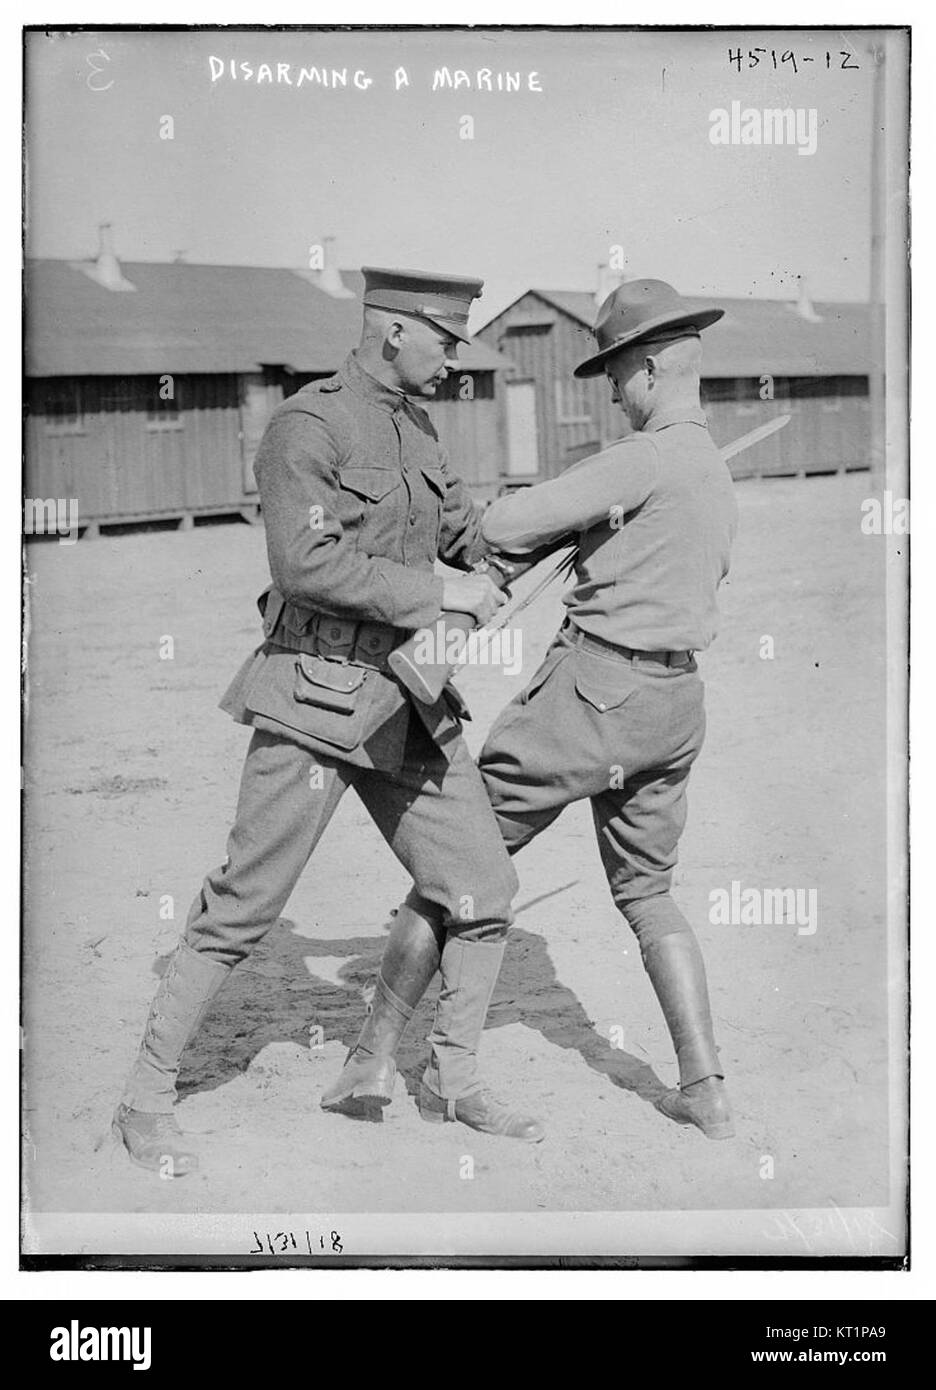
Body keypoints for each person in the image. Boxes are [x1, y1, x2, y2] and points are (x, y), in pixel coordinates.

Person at [114, 266, 544, 1177]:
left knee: (481, 888)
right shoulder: (307, 425)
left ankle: (452, 1078)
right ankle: (146, 1096)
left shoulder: (421, 426)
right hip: (313, 699)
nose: (456, 357)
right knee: (246, 905)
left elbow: (468, 533)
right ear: (395, 329)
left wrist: (573, 518)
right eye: (445, 338)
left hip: (405, 702)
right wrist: (441, 595)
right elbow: (306, 563)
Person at [380, 279, 739, 1140]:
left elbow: (506, 522)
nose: (613, 394)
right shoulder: (711, 468)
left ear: (649, 370)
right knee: (650, 894)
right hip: (676, 703)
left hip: (594, 696)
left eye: (616, 375)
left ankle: (378, 1046)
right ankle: (706, 1090)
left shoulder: (642, 458)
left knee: (464, 855)